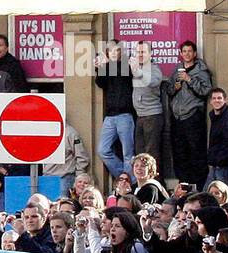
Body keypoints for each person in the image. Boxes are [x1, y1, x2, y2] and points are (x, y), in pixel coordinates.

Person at [169, 41, 213, 188]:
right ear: (180, 54)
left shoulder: (201, 70)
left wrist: (189, 79)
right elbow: (169, 90)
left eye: (189, 51)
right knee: (180, 154)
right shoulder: (177, 70)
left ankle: (199, 187)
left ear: (194, 53)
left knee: (196, 153)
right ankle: (184, 186)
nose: (187, 54)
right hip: (177, 118)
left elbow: (206, 91)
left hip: (193, 116)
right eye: (184, 51)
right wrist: (174, 87)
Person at [94, 42, 135, 180]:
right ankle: (124, 178)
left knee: (128, 153)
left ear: (121, 52)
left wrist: (106, 65)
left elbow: (122, 74)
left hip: (125, 115)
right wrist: (100, 68)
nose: (113, 53)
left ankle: (129, 183)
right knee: (102, 150)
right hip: (110, 116)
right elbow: (100, 83)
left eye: (116, 50)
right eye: (110, 50)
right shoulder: (107, 67)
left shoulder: (126, 66)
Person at [0, 35, 28, 155]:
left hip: (11, 116)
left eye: (0, 45)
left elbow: (21, 92)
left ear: (6, 47)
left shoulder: (13, 67)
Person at [129, 41, 167, 161]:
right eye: (138, 52)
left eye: (143, 52)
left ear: (150, 54)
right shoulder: (136, 68)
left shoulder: (154, 69)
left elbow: (152, 81)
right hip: (140, 116)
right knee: (140, 152)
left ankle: (154, 174)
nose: (140, 55)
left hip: (152, 116)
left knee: (151, 153)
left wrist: (138, 72)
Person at [206, 87, 228, 196]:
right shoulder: (215, 116)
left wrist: (219, 161)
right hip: (217, 164)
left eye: (219, 98)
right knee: (208, 195)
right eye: (214, 98)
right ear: (210, 101)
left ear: (225, 100)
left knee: (227, 196)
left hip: (226, 165)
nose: (217, 101)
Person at [41, 119, 90, 190]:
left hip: (64, 178)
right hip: (46, 178)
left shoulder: (70, 133)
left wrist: (78, 178)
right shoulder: (44, 131)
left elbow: (82, 157)